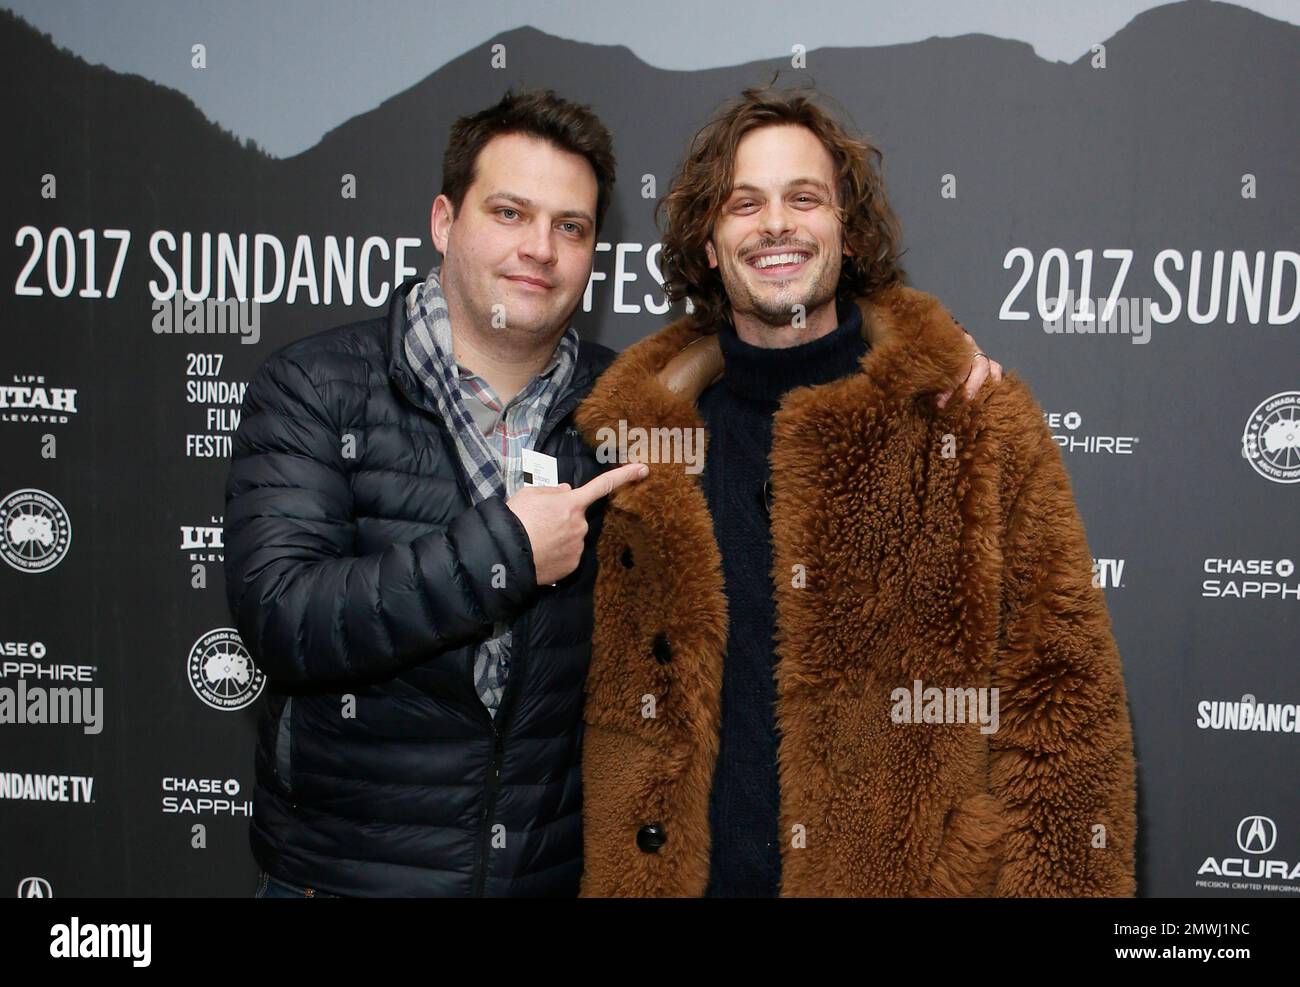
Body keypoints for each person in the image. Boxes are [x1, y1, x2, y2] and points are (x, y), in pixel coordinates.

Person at [224, 86, 1000, 897]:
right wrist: (508, 551)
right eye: (510, 213)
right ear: (445, 224)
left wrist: (931, 354)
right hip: (350, 882)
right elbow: (284, 616)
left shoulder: (626, 409)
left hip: (548, 880)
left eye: (571, 227)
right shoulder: (320, 385)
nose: (540, 249)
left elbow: (786, 326)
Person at [574, 85, 1137, 897]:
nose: (775, 225)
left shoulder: (974, 420)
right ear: (708, 243)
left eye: (805, 197)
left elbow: (1066, 710)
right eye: (743, 204)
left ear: (850, 229)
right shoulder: (630, 450)